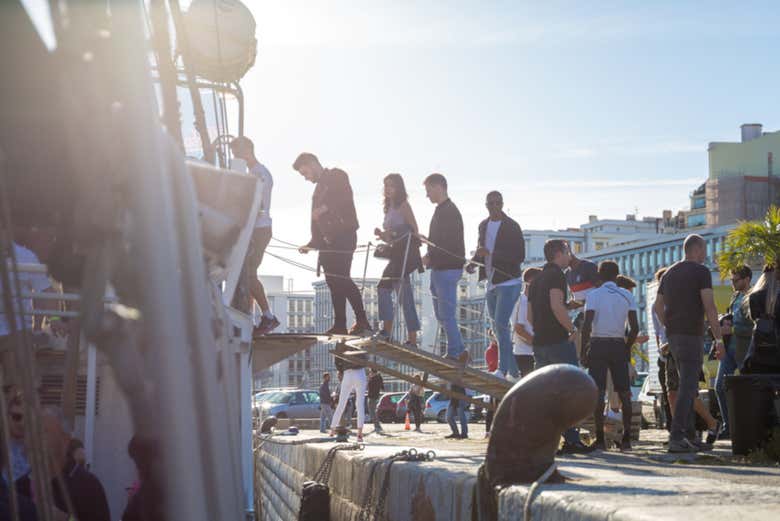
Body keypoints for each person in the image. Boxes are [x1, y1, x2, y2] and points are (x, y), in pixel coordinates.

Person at [654, 234, 725, 453]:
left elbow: (657, 307)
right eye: (704, 250)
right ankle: (677, 437)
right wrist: (719, 339)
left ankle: (691, 438)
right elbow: (710, 306)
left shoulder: (669, 272)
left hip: (674, 336)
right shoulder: (701, 271)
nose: (706, 255)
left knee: (689, 387)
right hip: (691, 335)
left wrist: (669, 326)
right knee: (687, 386)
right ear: (697, 249)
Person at [293, 153, 371, 336]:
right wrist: (312, 243)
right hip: (328, 241)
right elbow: (315, 221)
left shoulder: (337, 175)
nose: (306, 178)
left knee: (342, 277)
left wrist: (324, 208)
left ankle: (362, 320)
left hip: (344, 236)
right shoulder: (317, 190)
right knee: (332, 281)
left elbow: (343, 197)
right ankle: (340, 323)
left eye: (305, 173)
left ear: (312, 164)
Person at [528, 239, 593, 454]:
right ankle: (572, 440)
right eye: (567, 252)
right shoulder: (557, 275)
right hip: (558, 341)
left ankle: (545, 440)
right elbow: (556, 306)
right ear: (558, 253)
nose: (570, 256)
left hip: (539, 343)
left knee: (546, 394)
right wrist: (571, 329)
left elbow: (530, 315)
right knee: (569, 390)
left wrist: (560, 312)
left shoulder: (536, 280)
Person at [581, 261, 639, 451]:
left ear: (599, 275)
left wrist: (583, 351)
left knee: (598, 393)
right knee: (624, 393)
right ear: (617, 275)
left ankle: (600, 440)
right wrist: (627, 348)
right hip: (618, 345)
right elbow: (635, 328)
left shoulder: (593, 295)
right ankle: (627, 440)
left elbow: (586, 326)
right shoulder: (627, 295)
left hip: (598, 344)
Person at [467, 191, 525, 380]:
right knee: (498, 329)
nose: (494, 206)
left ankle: (503, 370)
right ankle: (515, 373)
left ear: (502, 203)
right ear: (486, 205)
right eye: (490, 203)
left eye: (497, 203)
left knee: (500, 325)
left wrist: (491, 254)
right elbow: (481, 251)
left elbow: (520, 256)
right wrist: (473, 263)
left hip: (509, 282)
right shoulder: (483, 225)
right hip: (491, 282)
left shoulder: (512, 226)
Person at [230, 136, 280, 336]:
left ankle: (268, 316)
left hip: (258, 230)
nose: (236, 158)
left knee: (249, 273)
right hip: (255, 229)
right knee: (248, 273)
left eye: (237, 154)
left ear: (248, 151)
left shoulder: (259, 174)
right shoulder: (254, 173)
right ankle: (250, 318)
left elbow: (256, 204)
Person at [422, 174, 467, 364]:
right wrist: (429, 248)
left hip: (447, 268)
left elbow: (446, 243)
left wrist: (430, 252)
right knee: (442, 314)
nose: (427, 195)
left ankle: (456, 352)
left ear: (438, 187)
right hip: (440, 267)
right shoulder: (443, 210)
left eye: (428, 190)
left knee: (446, 314)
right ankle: (459, 350)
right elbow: (441, 241)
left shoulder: (449, 211)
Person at [374, 174, 423, 347]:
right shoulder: (388, 208)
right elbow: (391, 238)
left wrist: (393, 233)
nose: (388, 189)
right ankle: (390, 331)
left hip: (405, 255)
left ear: (399, 188)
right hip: (395, 254)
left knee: (399, 294)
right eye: (386, 185)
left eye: (391, 185)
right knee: (391, 291)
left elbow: (414, 230)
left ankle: (403, 336)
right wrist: (382, 235)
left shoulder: (404, 205)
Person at [40, 407, 111, 521]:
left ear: (65, 440)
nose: (36, 438)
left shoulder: (88, 485)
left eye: (44, 431)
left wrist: (67, 520)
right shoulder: (23, 484)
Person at [715, 265, 753, 439]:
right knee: (720, 386)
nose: (732, 283)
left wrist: (733, 330)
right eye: (731, 280)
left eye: (735, 280)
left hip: (744, 349)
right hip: (729, 347)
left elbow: (754, 327)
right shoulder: (735, 296)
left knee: (748, 389)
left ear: (747, 279)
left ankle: (746, 427)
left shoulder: (752, 296)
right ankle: (728, 426)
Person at [652, 267, 673, 431]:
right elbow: (657, 332)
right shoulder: (656, 306)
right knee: (667, 393)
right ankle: (672, 428)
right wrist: (660, 350)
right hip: (664, 354)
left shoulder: (676, 301)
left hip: (676, 349)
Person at [330, 349, 367, 442]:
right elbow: (366, 356)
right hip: (360, 372)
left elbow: (337, 358)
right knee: (360, 404)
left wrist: (340, 369)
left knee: (341, 404)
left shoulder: (341, 343)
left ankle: (332, 430)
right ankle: (359, 433)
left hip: (347, 373)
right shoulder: (360, 342)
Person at [513, 267, 541, 378]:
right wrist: (538, 344)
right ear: (530, 281)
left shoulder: (521, 299)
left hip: (524, 353)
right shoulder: (523, 302)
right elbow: (519, 329)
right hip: (527, 355)